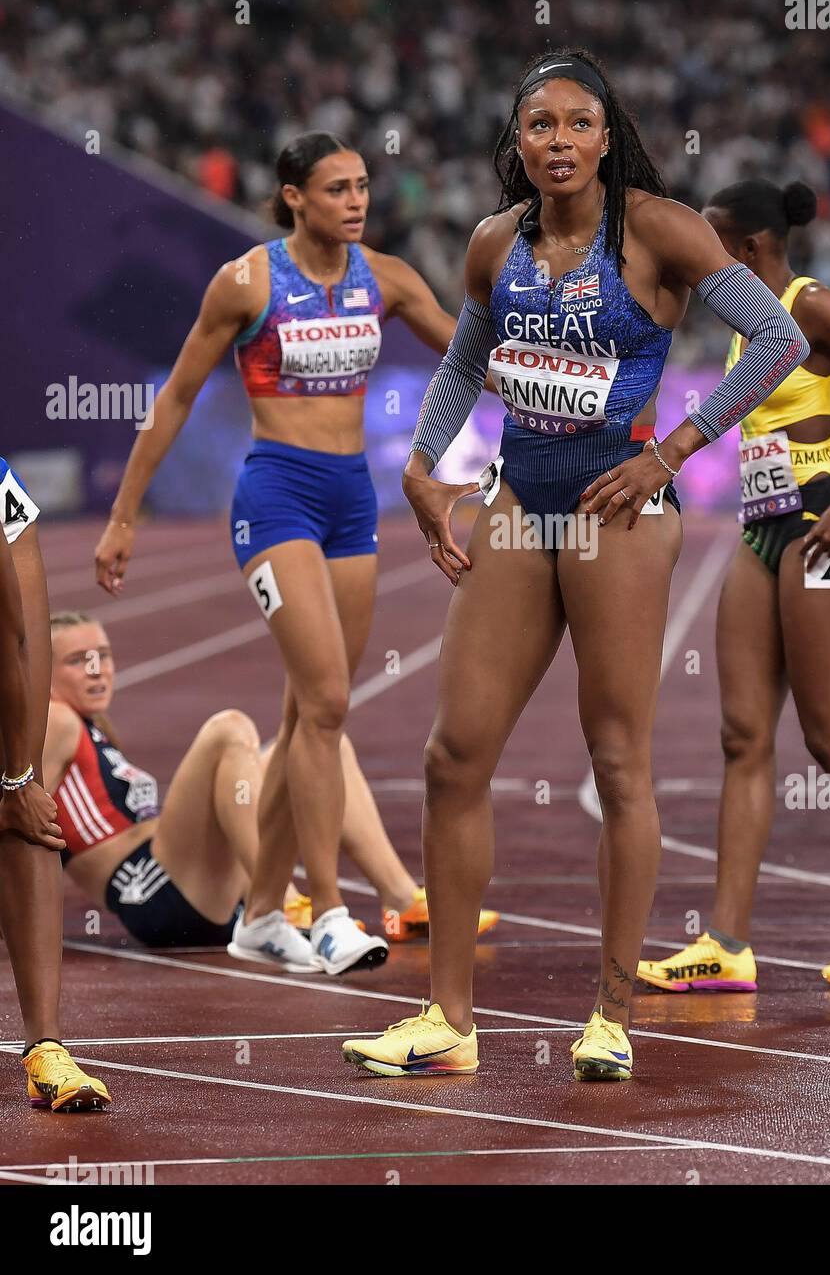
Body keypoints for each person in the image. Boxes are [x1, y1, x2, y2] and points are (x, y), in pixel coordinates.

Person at [343, 51, 810, 1083]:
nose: (556, 140)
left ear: (607, 138)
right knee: (450, 755)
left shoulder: (655, 229)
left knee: (614, 762)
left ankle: (608, 1014)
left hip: (617, 513)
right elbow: (466, 361)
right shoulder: (491, 244)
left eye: (577, 124)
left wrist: (670, 452)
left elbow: (777, 340)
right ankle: (447, 1017)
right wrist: (422, 468)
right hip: (520, 504)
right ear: (516, 141)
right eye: (538, 124)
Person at [94, 132, 458, 976]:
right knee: (327, 699)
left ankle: (260, 914)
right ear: (294, 197)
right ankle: (327, 910)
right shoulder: (248, 282)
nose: (358, 202)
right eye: (337, 190)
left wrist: (571, 374)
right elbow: (178, 393)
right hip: (276, 497)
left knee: (311, 716)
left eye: (363, 186)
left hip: (351, 501)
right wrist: (122, 515)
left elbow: (470, 355)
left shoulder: (390, 279)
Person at [637, 179, 830, 996]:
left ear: (748, 249)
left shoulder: (814, 307)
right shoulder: (752, 326)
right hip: (760, 530)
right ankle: (727, 943)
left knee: (828, 740)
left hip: (823, 528)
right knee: (742, 736)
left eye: (712, 246)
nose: (701, 263)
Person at [43, 611, 499, 955]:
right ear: (40, 672)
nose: (97, 669)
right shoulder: (54, 719)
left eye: (102, 656)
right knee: (228, 730)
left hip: (199, 884)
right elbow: (21, 816)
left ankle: (400, 900)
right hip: (153, 893)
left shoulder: (89, 725)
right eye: (77, 661)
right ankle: (279, 902)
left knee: (321, 747)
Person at [0, 460, 110, 1111]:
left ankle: (46, 1047)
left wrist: (17, 776)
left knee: (26, 796)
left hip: (12, 561)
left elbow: (12, 639)